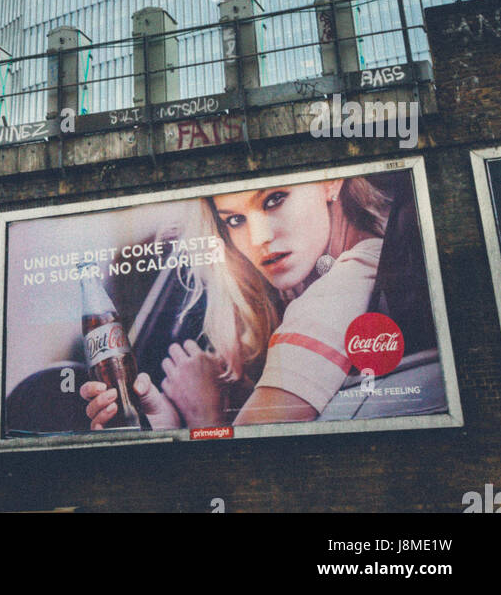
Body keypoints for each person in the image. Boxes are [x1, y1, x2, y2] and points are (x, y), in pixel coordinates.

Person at [81, 175, 392, 431]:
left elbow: (244, 465)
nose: (258, 238)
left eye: (274, 199)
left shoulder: (341, 290)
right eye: (235, 220)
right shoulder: (346, 273)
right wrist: (171, 423)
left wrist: (206, 415)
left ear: (331, 181)